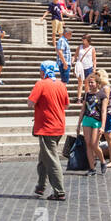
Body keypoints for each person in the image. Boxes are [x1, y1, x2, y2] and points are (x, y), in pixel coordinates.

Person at [29, 61, 69, 201]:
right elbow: (66, 105)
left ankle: (59, 191)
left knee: (51, 159)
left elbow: (30, 103)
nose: (40, 73)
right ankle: (40, 185)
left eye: (40, 70)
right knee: (44, 157)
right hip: (59, 126)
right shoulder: (61, 84)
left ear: (44, 71)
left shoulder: (41, 84)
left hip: (47, 127)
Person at [81, 68, 111, 175]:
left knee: (94, 144)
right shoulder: (86, 94)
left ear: (97, 83)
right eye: (89, 82)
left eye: (92, 82)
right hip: (86, 120)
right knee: (88, 144)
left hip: (96, 121)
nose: (90, 84)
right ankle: (92, 168)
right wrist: (78, 123)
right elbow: (83, 110)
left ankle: (103, 161)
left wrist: (102, 126)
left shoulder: (102, 95)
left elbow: (103, 111)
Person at [74, 33, 96, 100]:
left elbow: (94, 59)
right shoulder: (79, 47)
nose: (82, 39)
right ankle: (79, 98)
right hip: (80, 67)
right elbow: (75, 56)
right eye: (82, 38)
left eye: (84, 38)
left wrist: (94, 67)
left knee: (87, 83)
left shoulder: (92, 48)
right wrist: (72, 63)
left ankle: (86, 97)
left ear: (88, 40)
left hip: (88, 67)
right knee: (80, 82)